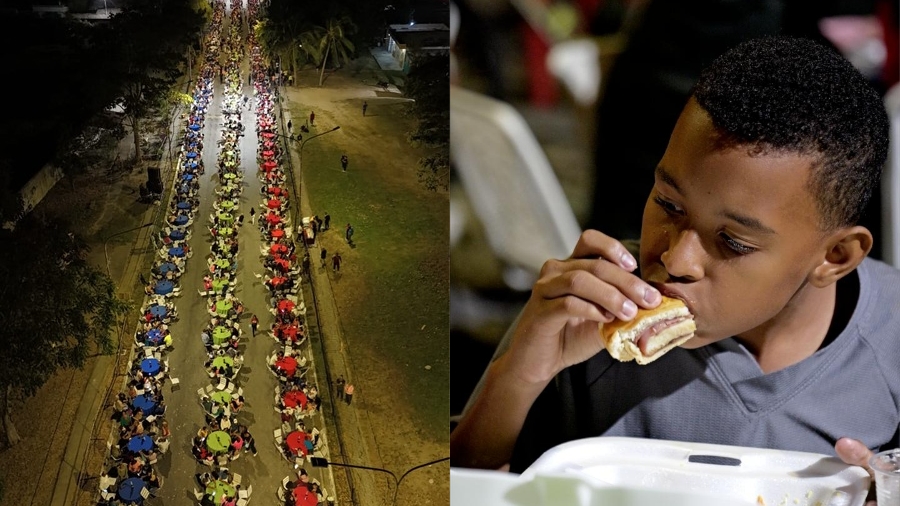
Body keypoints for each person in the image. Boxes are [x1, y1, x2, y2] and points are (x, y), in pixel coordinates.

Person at [449, 36, 897, 481]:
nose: (676, 257)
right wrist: (519, 374)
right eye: (669, 204)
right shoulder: (585, 314)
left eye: (734, 242)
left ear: (835, 257)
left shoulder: (890, 342)